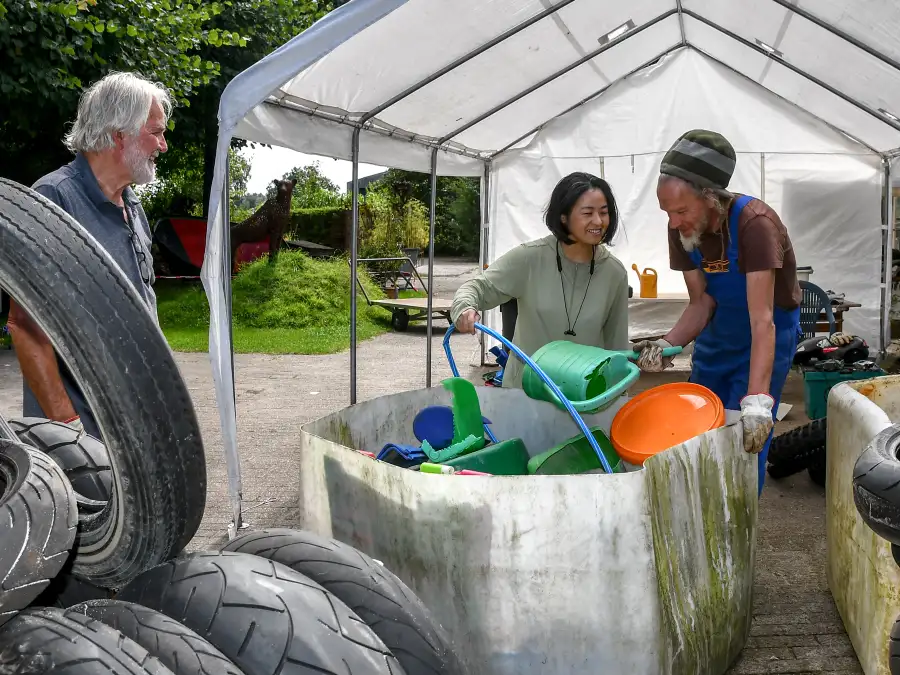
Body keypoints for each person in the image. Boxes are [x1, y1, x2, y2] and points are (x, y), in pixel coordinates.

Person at [633, 129, 801, 494]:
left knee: (744, 434)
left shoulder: (755, 224)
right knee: (697, 425)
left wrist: (758, 400)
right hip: (717, 332)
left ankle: (738, 526)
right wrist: (667, 344)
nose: (674, 223)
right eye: (667, 212)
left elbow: (762, 320)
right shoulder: (681, 229)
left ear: (711, 198)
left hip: (764, 335)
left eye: (681, 211)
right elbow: (701, 302)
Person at [7, 71, 170, 438]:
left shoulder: (133, 206)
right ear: (119, 135)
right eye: (156, 132)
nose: (163, 145)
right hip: (83, 431)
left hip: (134, 423)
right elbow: (24, 325)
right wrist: (68, 426)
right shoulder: (54, 199)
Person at [451, 171, 630, 389]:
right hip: (525, 393)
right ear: (563, 217)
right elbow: (479, 287)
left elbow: (617, 347)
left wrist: (617, 402)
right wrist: (464, 308)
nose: (598, 221)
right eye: (588, 213)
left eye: (604, 212)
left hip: (583, 398)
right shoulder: (530, 258)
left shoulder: (614, 273)